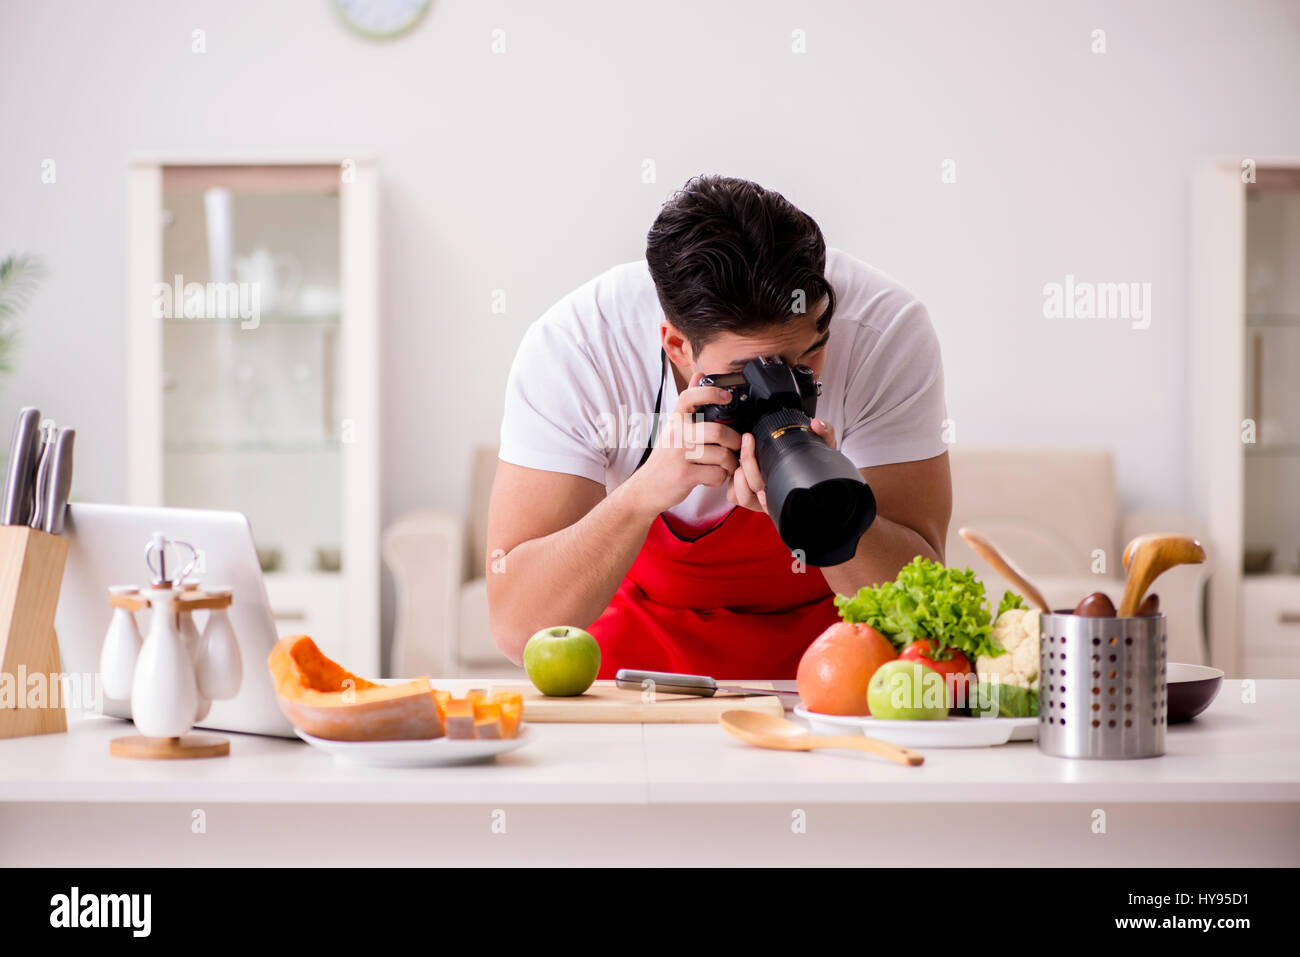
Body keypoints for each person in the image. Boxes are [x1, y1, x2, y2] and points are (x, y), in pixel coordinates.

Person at [486, 175, 951, 678]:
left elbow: (921, 609)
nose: (785, 388)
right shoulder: (580, 348)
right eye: (750, 371)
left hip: (832, 659)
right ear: (677, 346)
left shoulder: (885, 333)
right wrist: (641, 495)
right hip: (641, 661)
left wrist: (822, 511)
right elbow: (517, 626)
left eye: (810, 354)